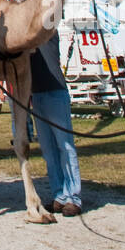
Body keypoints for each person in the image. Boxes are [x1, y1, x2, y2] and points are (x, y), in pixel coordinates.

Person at [30, 31, 82, 216]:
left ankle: (73, 197)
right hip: (37, 95)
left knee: (65, 146)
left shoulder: (46, 29)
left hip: (55, 92)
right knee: (48, 149)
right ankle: (59, 195)